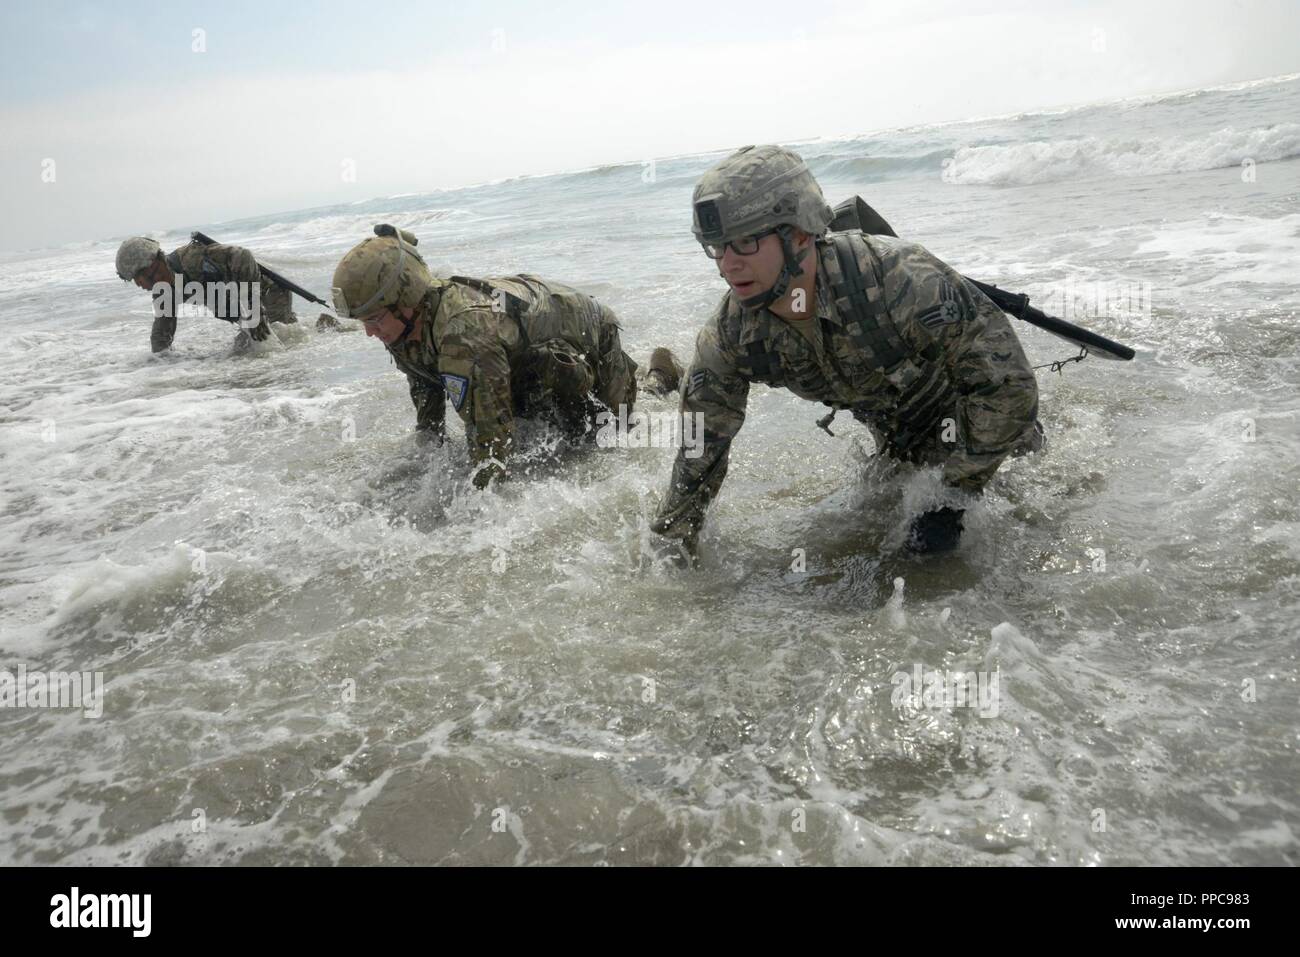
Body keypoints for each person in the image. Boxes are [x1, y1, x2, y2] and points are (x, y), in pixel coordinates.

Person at [650, 145, 1044, 561]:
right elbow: (700, 448)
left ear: (799, 233)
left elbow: (1009, 389)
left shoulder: (903, 279)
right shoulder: (731, 337)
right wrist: (669, 550)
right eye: (717, 246)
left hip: (996, 446)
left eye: (746, 242)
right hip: (898, 453)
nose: (727, 264)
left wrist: (950, 497)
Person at [331, 225, 682, 488]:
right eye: (365, 321)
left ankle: (659, 377)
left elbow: (491, 446)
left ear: (405, 301)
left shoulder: (463, 334)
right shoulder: (405, 326)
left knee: (611, 436)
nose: (369, 332)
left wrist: (478, 513)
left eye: (374, 320)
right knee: (536, 419)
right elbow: (428, 405)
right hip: (527, 356)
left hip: (590, 336)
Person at [114, 236, 298, 352]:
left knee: (269, 348)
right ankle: (319, 329)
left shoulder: (191, 259)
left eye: (140, 279)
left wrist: (255, 309)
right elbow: (162, 333)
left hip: (268, 292)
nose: (141, 286)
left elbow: (242, 256)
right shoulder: (164, 292)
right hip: (247, 309)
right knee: (243, 349)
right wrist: (159, 364)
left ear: (152, 265)